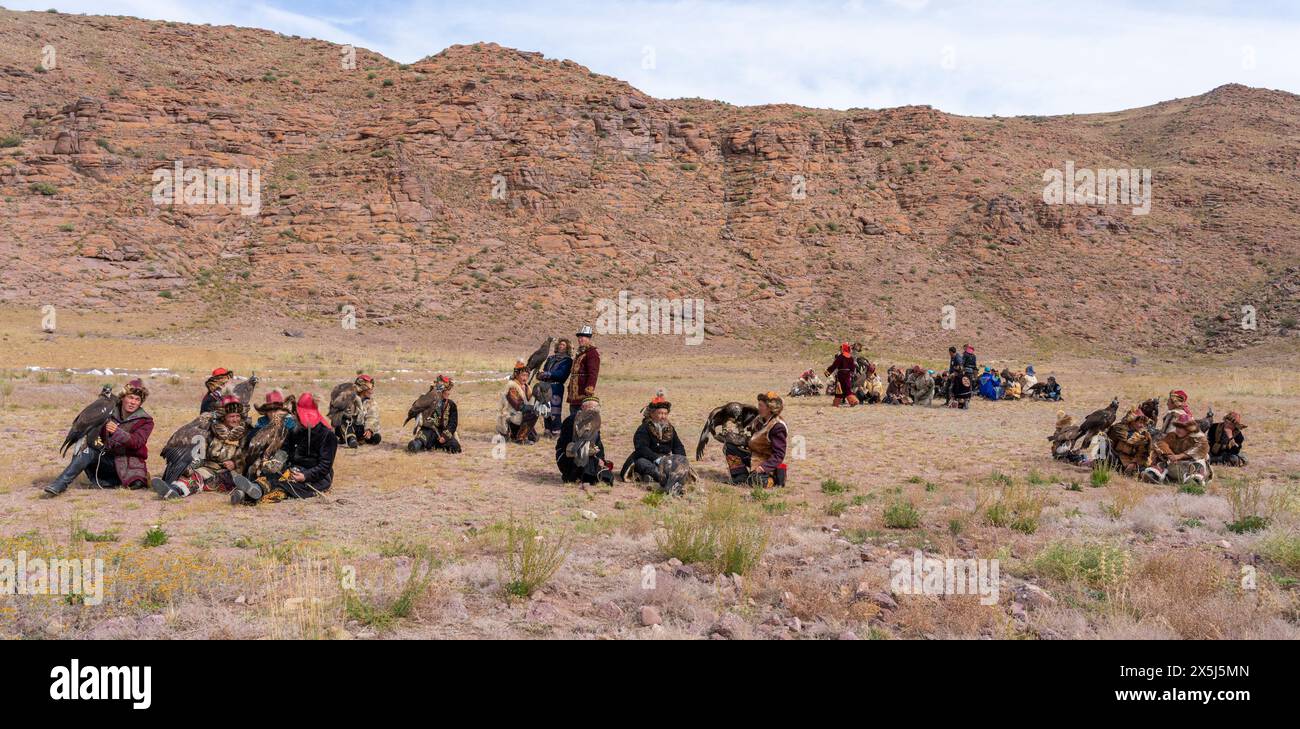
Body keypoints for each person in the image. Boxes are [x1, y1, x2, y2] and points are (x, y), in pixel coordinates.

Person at [45, 380, 154, 496]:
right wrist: (93, 442)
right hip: (107, 461)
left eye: (137, 400)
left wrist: (117, 432)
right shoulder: (108, 411)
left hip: (129, 466)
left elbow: (137, 442)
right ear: (123, 397)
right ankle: (60, 484)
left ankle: (113, 482)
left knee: (135, 484)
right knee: (87, 450)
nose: (133, 402)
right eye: (131, 397)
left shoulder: (145, 421)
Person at [231, 393, 338, 504]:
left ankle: (249, 495)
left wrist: (305, 476)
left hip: (316, 477)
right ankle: (252, 489)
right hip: (292, 469)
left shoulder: (328, 436)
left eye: (295, 414)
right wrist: (276, 462)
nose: (293, 417)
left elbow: (324, 466)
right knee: (271, 476)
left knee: (286, 487)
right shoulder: (295, 431)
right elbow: (285, 450)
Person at [152, 395, 252, 499]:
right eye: (231, 416)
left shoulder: (246, 433)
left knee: (228, 481)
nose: (235, 419)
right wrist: (190, 467)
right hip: (209, 468)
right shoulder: (210, 430)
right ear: (224, 417)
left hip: (231, 473)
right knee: (192, 476)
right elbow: (201, 453)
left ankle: (241, 495)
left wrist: (235, 463)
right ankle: (174, 491)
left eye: (237, 416)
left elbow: (249, 455)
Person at [724, 392, 788, 488]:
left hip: (767, 461)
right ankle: (740, 477)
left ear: (770, 408)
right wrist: (738, 439)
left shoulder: (777, 427)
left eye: (761, 405)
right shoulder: (759, 420)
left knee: (755, 481)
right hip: (754, 455)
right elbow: (754, 438)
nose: (759, 408)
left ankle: (774, 480)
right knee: (729, 447)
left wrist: (763, 467)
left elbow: (779, 455)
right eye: (759, 405)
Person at [626, 395, 689, 493]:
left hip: (666, 460)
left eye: (665, 413)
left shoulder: (670, 429)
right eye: (660, 413)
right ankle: (668, 483)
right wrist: (658, 459)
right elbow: (642, 448)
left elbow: (678, 446)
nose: (663, 416)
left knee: (683, 463)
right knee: (642, 463)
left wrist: (680, 460)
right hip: (648, 459)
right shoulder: (644, 428)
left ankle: (664, 481)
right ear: (652, 414)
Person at [555, 396, 614, 484]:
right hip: (569, 457)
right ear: (583, 407)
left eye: (596, 408)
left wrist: (601, 459)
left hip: (588, 457)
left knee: (606, 474)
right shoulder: (571, 421)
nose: (594, 410)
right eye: (591, 407)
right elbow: (568, 446)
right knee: (589, 472)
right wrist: (595, 458)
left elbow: (598, 444)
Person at [1143, 412, 1210, 486]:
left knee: (1200, 459)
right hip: (1174, 465)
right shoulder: (1173, 435)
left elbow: (1202, 448)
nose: (1178, 429)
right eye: (1177, 427)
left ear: (1189, 428)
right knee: (1160, 453)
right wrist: (1169, 454)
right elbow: (1162, 443)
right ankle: (1155, 474)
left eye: (1182, 427)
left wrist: (1180, 456)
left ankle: (1194, 480)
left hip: (1189, 466)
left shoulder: (1199, 437)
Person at [408, 376, 461, 453]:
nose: (448, 393)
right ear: (441, 391)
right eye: (446, 390)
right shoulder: (430, 400)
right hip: (428, 430)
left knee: (456, 447)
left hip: (443, 433)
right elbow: (416, 406)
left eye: (449, 390)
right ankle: (418, 445)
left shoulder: (451, 405)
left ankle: (434, 445)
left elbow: (453, 424)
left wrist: (445, 437)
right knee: (418, 442)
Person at [537, 338, 573, 437]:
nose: (561, 346)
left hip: (557, 386)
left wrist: (547, 374)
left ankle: (556, 430)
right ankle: (547, 429)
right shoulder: (550, 358)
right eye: (560, 344)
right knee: (546, 408)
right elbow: (544, 369)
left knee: (555, 409)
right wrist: (540, 375)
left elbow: (561, 374)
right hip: (546, 386)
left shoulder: (568, 360)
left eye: (564, 345)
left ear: (567, 348)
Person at [498, 360, 538, 444]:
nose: (525, 378)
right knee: (532, 413)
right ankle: (520, 438)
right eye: (523, 375)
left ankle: (515, 434)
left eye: (527, 375)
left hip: (520, 415)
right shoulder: (512, 386)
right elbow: (518, 405)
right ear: (516, 375)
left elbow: (531, 401)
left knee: (535, 438)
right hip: (511, 416)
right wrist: (534, 408)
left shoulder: (526, 387)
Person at [1106, 407, 1153, 475]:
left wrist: (1134, 463)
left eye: (1143, 423)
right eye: (1140, 422)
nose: (1142, 425)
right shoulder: (1118, 429)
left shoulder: (1144, 436)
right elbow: (1110, 443)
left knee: (1142, 470)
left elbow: (1142, 454)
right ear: (1132, 421)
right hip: (1117, 458)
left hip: (1132, 461)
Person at [338, 374, 381, 448]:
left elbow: (372, 417)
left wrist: (369, 429)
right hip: (347, 427)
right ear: (362, 388)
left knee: (377, 437)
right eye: (370, 389)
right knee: (344, 420)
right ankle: (350, 438)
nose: (372, 392)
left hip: (359, 427)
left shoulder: (371, 403)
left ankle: (362, 438)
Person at [566, 326, 601, 416]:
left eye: (583, 337)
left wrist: (590, 387)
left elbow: (593, 373)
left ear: (588, 338)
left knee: (583, 418)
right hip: (574, 393)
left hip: (583, 392)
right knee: (573, 417)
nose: (580, 339)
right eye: (579, 337)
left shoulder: (592, 353)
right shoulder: (580, 352)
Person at [826, 342, 856, 407]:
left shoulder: (841, 356)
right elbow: (853, 367)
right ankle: (853, 401)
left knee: (839, 389)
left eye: (842, 348)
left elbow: (834, 365)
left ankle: (836, 404)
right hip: (847, 375)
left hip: (841, 375)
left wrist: (827, 372)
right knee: (847, 389)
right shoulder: (850, 357)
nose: (841, 349)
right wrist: (851, 374)